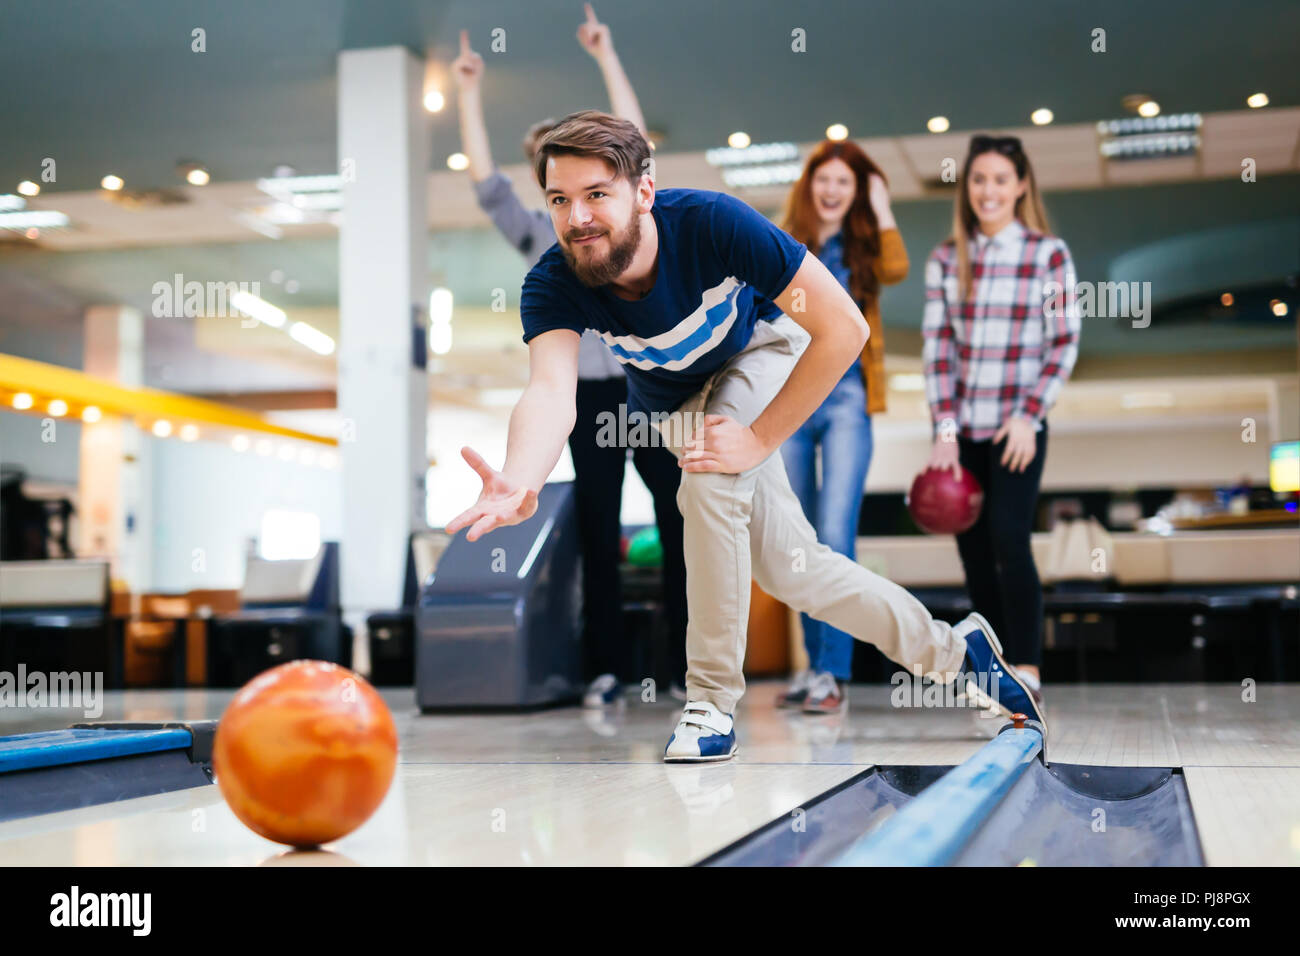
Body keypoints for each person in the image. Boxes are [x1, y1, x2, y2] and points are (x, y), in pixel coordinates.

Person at [447, 110, 1046, 762]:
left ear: (643, 192)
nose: (578, 217)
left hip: (756, 352)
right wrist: (523, 476)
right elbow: (551, 392)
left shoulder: (713, 223)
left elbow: (844, 327)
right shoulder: (555, 278)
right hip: (672, 402)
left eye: (598, 195)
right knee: (799, 572)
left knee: (708, 475)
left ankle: (708, 704)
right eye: (560, 200)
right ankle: (960, 654)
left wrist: (760, 438)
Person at [451, 6, 688, 707]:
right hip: (582, 402)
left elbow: (634, 144)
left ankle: (681, 669)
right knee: (596, 524)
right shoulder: (539, 240)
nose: (579, 208)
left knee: (679, 519)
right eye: (559, 188)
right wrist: (466, 90)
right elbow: (483, 183)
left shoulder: (620, 223)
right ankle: (608, 669)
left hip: (647, 392)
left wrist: (605, 55)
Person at [921, 134, 1081, 707]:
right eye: (979, 179)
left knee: (1011, 540)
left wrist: (1029, 416)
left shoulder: (1047, 254)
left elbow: (1062, 342)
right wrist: (944, 432)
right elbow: (938, 351)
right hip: (961, 431)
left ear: (1020, 187)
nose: (989, 190)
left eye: (1000, 180)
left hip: (1018, 427)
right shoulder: (946, 258)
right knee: (973, 552)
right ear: (968, 187)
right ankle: (993, 670)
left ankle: (1029, 665)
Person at [774, 140, 908, 714]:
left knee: (835, 534)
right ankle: (812, 671)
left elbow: (898, 268)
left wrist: (881, 204)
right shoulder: (785, 240)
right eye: (824, 180)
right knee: (799, 541)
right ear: (809, 186)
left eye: (844, 183)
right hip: (793, 397)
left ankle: (833, 671)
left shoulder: (865, 247)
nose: (832, 191)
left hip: (848, 396)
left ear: (856, 193)